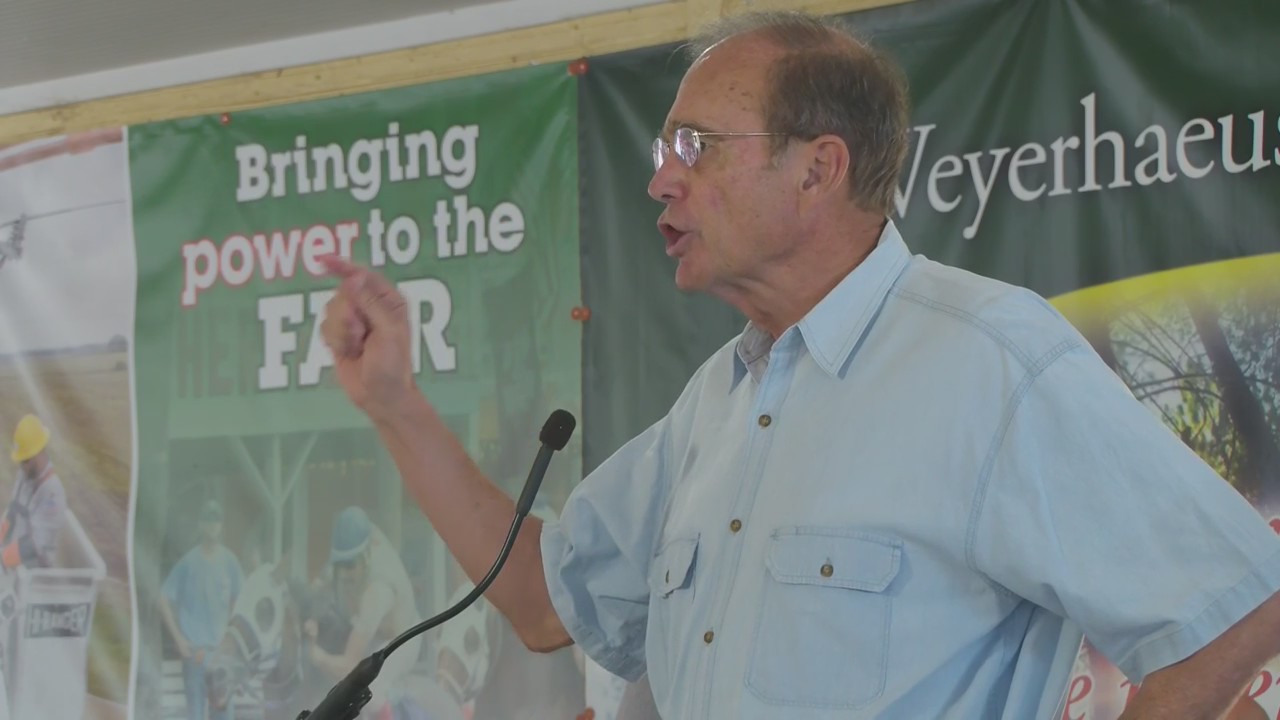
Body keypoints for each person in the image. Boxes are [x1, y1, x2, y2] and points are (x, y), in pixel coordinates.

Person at [317, 10, 1280, 719]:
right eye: (661, 147)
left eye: (695, 146)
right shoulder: (715, 406)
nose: (660, 178)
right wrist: (396, 403)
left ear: (818, 169)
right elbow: (535, 599)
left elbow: (1237, 605)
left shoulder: (990, 361)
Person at [306, 506, 422, 718]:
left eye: (350, 565)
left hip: (402, 636)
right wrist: (312, 619)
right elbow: (320, 585)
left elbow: (349, 667)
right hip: (371, 628)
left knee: (370, 691)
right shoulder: (357, 544)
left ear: (367, 555)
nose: (344, 573)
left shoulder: (378, 591)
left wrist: (317, 656)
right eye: (339, 564)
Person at [160, 499, 244, 720]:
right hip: (196, 654)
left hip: (221, 656)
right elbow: (163, 597)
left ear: (221, 525)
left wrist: (231, 637)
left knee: (223, 714)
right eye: (208, 520)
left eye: (216, 520)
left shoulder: (230, 561)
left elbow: (240, 601)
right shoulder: (188, 562)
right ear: (201, 525)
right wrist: (178, 639)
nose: (212, 525)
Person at [1, 413, 67, 569]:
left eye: (25, 460)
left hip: (37, 570)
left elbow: (36, 544)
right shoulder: (26, 474)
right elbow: (13, 509)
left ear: (38, 454)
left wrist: (2, 559)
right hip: (16, 553)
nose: (21, 466)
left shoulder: (52, 492)